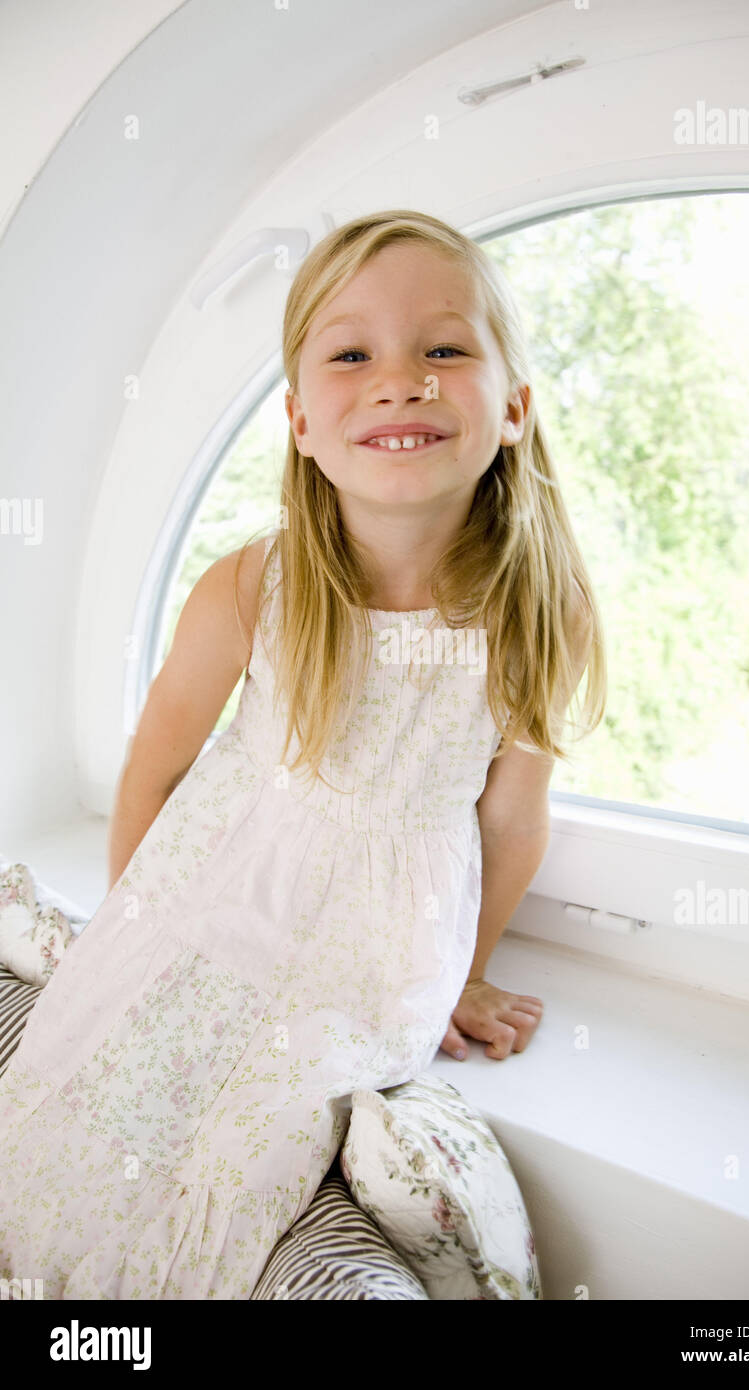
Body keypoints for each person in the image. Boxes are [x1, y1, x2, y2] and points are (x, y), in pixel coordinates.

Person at [0, 209, 606, 1299]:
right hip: (215, 892)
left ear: (512, 408)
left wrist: (465, 967)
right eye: (350, 354)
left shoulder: (536, 613)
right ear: (299, 423)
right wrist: (131, 922)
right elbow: (157, 761)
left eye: (444, 348)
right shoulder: (253, 585)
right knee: (89, 1090)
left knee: (244, 1149)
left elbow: (512, 818)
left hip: (374, 949)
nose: (399, 380)